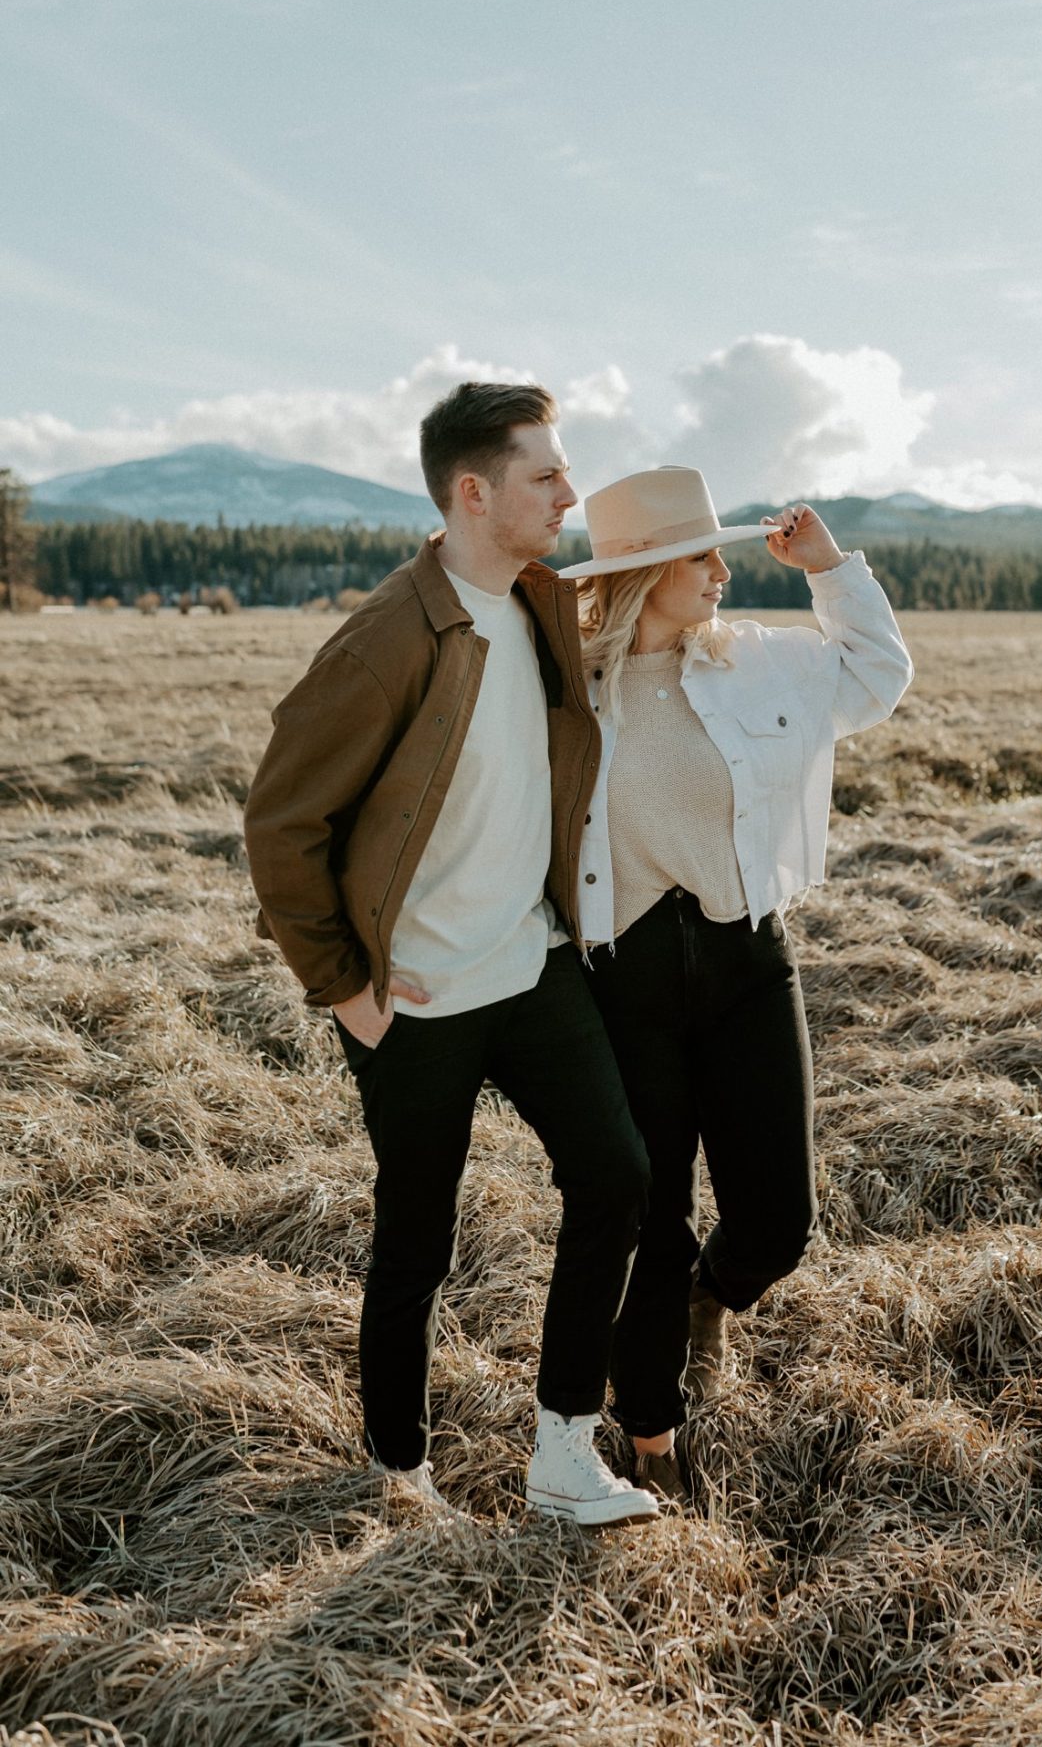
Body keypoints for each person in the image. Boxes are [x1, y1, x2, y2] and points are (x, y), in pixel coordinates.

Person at [243, 382, 660, 1527]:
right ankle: (399, 1468)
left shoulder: (538, 603)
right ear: (473, 493)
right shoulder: (387, 639)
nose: (569, 491)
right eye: (546, 475)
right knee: (418, 1235)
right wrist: (346, 989)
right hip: (415, 998)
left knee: (616, 1175)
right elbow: (281, 823)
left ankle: (565, 1451)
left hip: (531, 964)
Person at [559, 466, 913, 1501]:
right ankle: (654, 1441)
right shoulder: (565, 693)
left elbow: (878, 673)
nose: (723, 571)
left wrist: (830, 569)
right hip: (624, 984)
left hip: (747, 962)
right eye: (701, 557)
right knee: (649, 1225)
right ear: (645, 573)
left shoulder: (755, 663)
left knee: (780, 1220)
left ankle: (721, 1292)